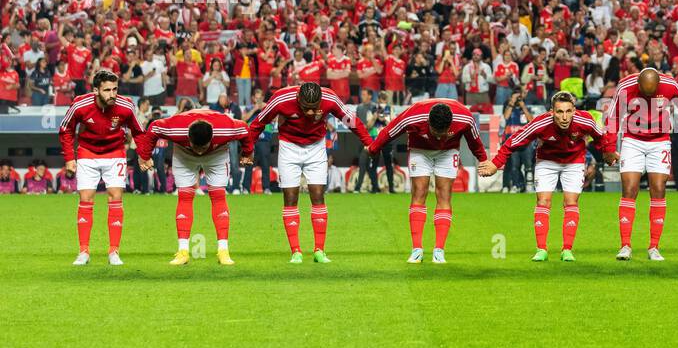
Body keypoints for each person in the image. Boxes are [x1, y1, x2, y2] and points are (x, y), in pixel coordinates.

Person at [240, 82, 371, 264]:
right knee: (290, 197)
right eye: (305, 108)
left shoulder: (329, 98)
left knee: (318, 195)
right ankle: (296, 251)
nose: (310, 113)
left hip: (316, 147)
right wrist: (247, 151)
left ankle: (319, 251)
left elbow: (350, 120)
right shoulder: (281, 98)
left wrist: (368, 142)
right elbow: (258, 124)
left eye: (313, 108)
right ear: (298, 99)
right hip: (288, 147)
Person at [478, 91, 614, 262]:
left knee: (571, 202)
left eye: (568, 111)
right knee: (543, 201)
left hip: (574, 162)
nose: (564, 117)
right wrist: (496, 163)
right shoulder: (541, 123)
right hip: (547, 162)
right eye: (559, 112)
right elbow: (514, 140)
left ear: (574, 111)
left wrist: (608, 152)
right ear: (551, 112)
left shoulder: (585, 120)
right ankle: (541, 249)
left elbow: (601, 137)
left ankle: (567, 250)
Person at [368, 99, 487, 264]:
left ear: (450, 124)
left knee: (444, 195)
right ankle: (417, 250)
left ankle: (439, 251)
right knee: (419, 192)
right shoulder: (413, 116)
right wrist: (374, 148)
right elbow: (390, 131)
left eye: (442, 132)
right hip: (420, 150)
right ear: (427, 122)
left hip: (448, 151)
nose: (438, 136)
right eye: (434, 131)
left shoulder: (464, 118)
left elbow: (475, 141)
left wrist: (483, 160)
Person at [58, 70, 149, 266]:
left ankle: (114, 252)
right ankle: (83, 252)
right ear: (96, 90)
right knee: (86, 198)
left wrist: (144, 154)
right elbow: (66, 130)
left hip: (115, 152)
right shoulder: (80, 104)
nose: (112, 94)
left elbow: (139, 132)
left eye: (115, 89)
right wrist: (69, 158)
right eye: (107, 90)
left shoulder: (126, 106)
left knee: (115, 196)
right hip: (87, 152)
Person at [139, 108, 249, 266]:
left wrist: (248, 152)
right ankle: (183, 252)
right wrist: (145, 155)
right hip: (184, 153)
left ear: (212, 138)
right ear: (188, 137)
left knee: (218, 197)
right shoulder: (175, 128)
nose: (199, 153)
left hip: (216, 153)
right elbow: (154, 128)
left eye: (202, 148)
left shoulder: (225, 128)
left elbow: (245, 128)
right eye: (196, 148)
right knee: (184, 197)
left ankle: (223, 251)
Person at [600, 66, 678, 261]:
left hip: (660, 141)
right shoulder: (625, 86)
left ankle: (654, 247)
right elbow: (613, 116)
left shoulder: (670, 84)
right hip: (633, 140)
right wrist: (608, 146)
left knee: (658, 188)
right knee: (629, 189)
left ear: (658, 85)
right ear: (638, 84)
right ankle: (625, 245)